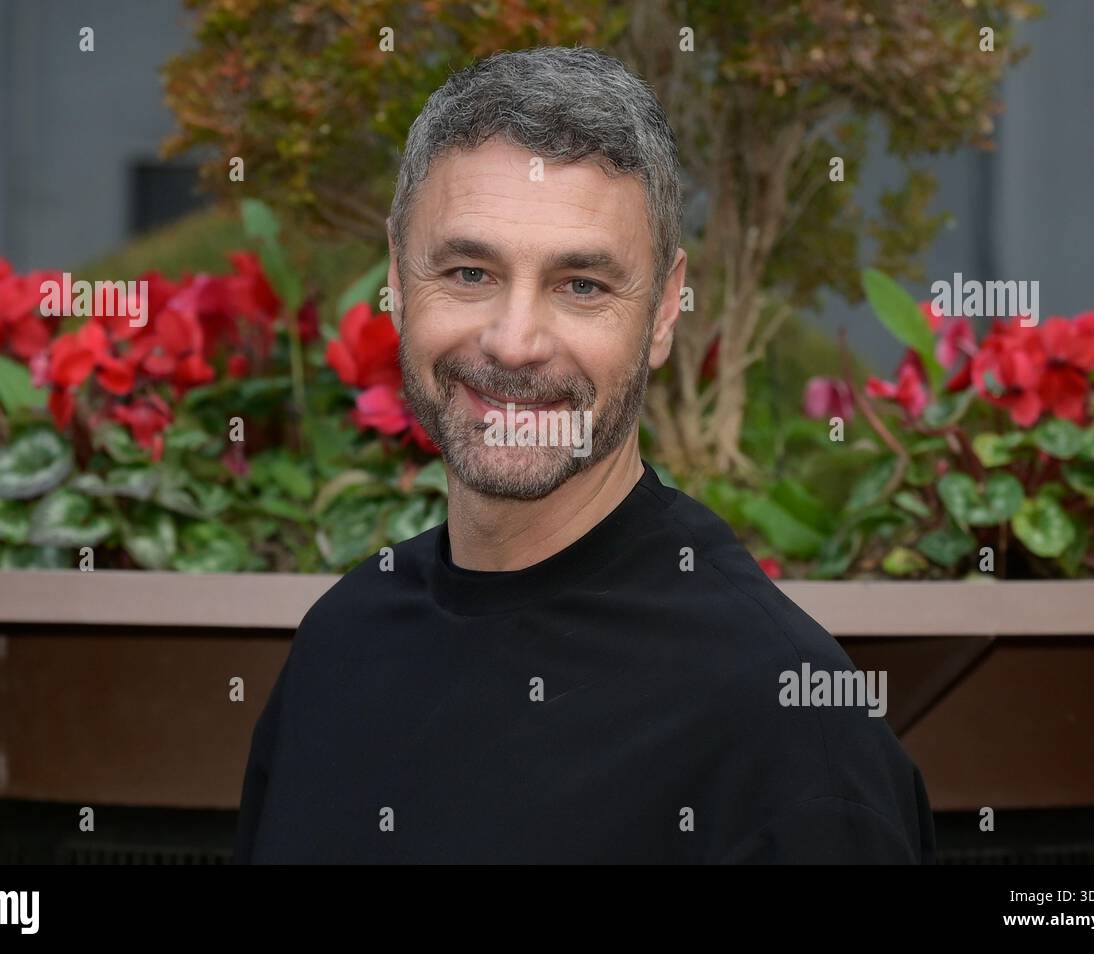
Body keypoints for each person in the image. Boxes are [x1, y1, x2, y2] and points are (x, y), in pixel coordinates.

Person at [233, 45, 935, 864]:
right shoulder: (340, 650)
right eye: (469, 272)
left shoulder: (783, 723)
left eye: (582, 287)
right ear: (397, 277)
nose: (515, 341)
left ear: (666, 311)